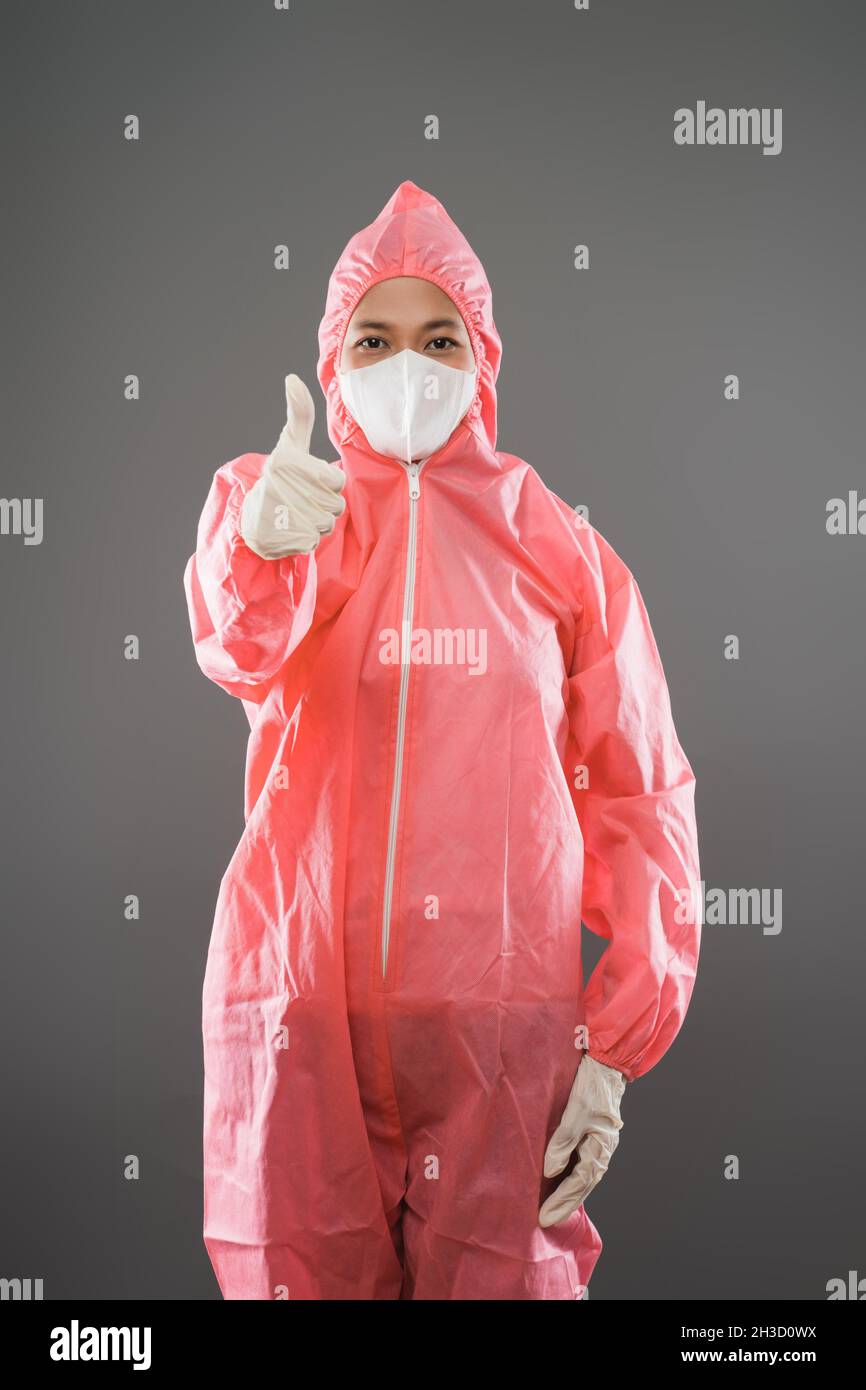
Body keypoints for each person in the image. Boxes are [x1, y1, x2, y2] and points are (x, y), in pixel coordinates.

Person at [183, 179, 701, 1301]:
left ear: (482, 358)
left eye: (436, 338)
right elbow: (235, 647)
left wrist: (613, 1045)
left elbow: (640, 787)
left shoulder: (558, 547)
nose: (405, 364)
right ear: (332, 362)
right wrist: (259, 543)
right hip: (296, 1009)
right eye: (374, 337)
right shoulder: (291, 508)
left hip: (498, 1033)